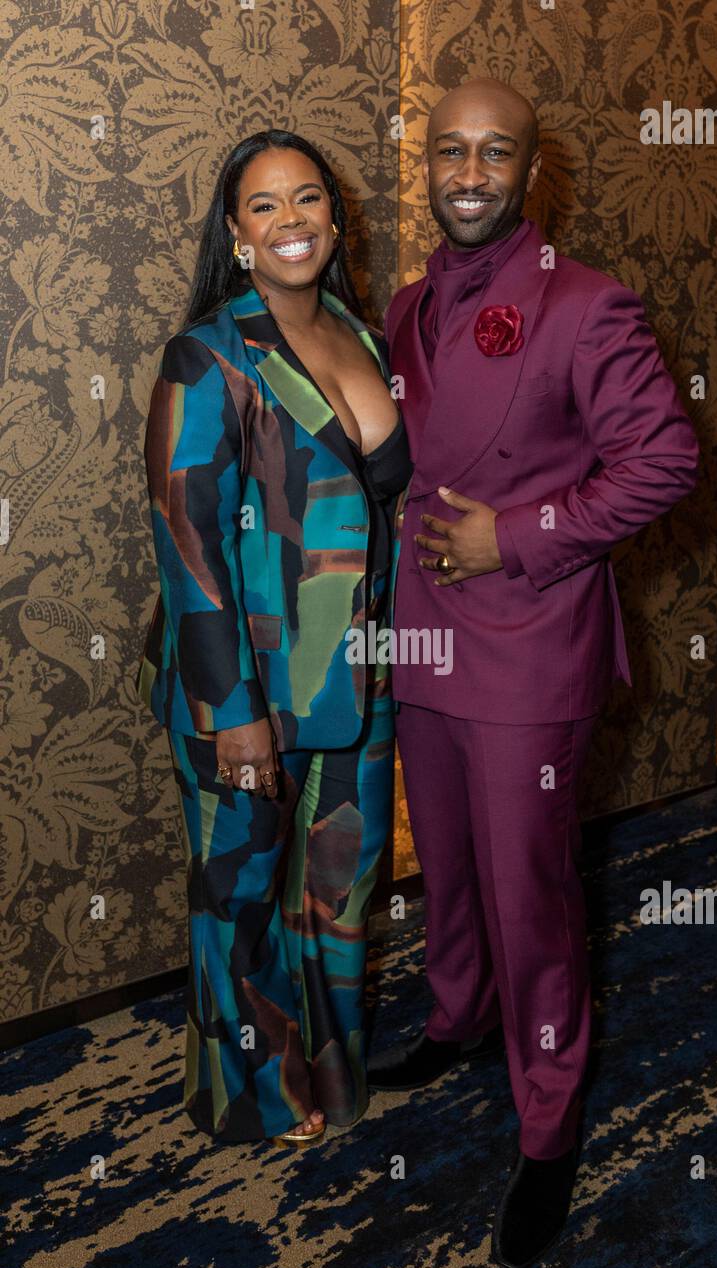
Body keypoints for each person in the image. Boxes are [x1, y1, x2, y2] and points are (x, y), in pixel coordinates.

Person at [368, 78, 700, 1268]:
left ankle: (550, 1122)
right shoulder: (405, 306)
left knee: (531, 896)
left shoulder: (589, 306)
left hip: (530, 647)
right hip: (425, 637)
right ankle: (459, 1018)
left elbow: (665, 461)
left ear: (529, 173)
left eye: (492, 153)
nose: (468, 172)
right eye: (449, 151)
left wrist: (515, 534)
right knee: (446, 867)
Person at [136, 131, 412, 1148]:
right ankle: (251, 1090)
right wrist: (234, 715)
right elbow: (187, 548)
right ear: (235, 233)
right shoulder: (207, 357)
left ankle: (331, 1072)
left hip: (359, 681)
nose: (291, 221)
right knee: (243, 897)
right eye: (264, 206)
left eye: (309, 200)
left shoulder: (358, 332)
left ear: (336, 222)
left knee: (341, 888)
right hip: (246, 689)